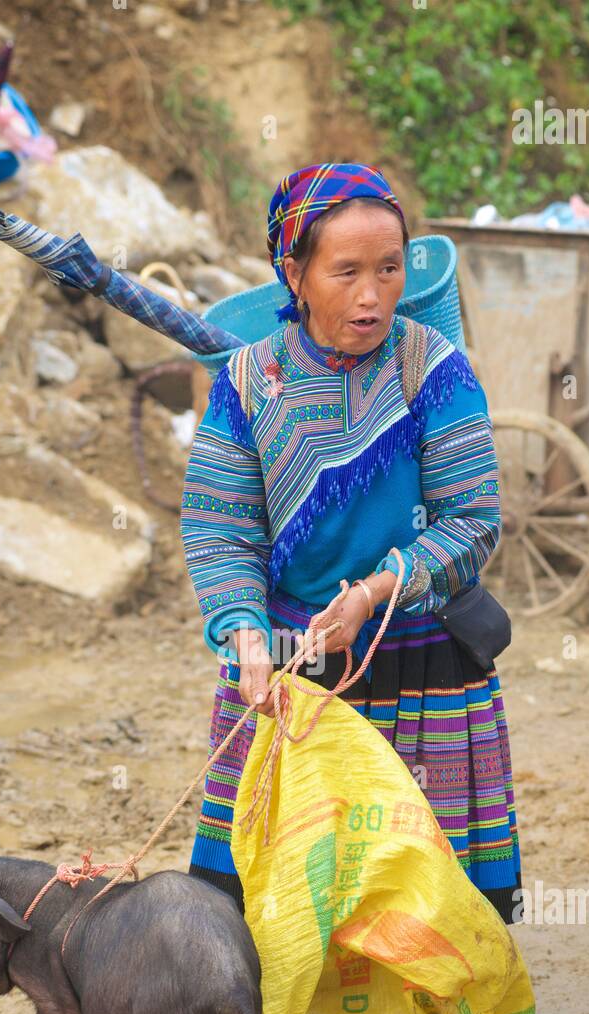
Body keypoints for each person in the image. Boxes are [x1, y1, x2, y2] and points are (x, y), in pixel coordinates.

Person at [180, 162, 521, 923]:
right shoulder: (246, 382)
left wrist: (373, 593)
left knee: (420, 905)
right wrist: (244, 632)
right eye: (347, 272)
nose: (372, 295)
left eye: (390, 269)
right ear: (294, 273)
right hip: (289, 667)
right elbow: (219, 526)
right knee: (272, 903)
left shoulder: (430, 366)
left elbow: (472, 519)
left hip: (421, 665)